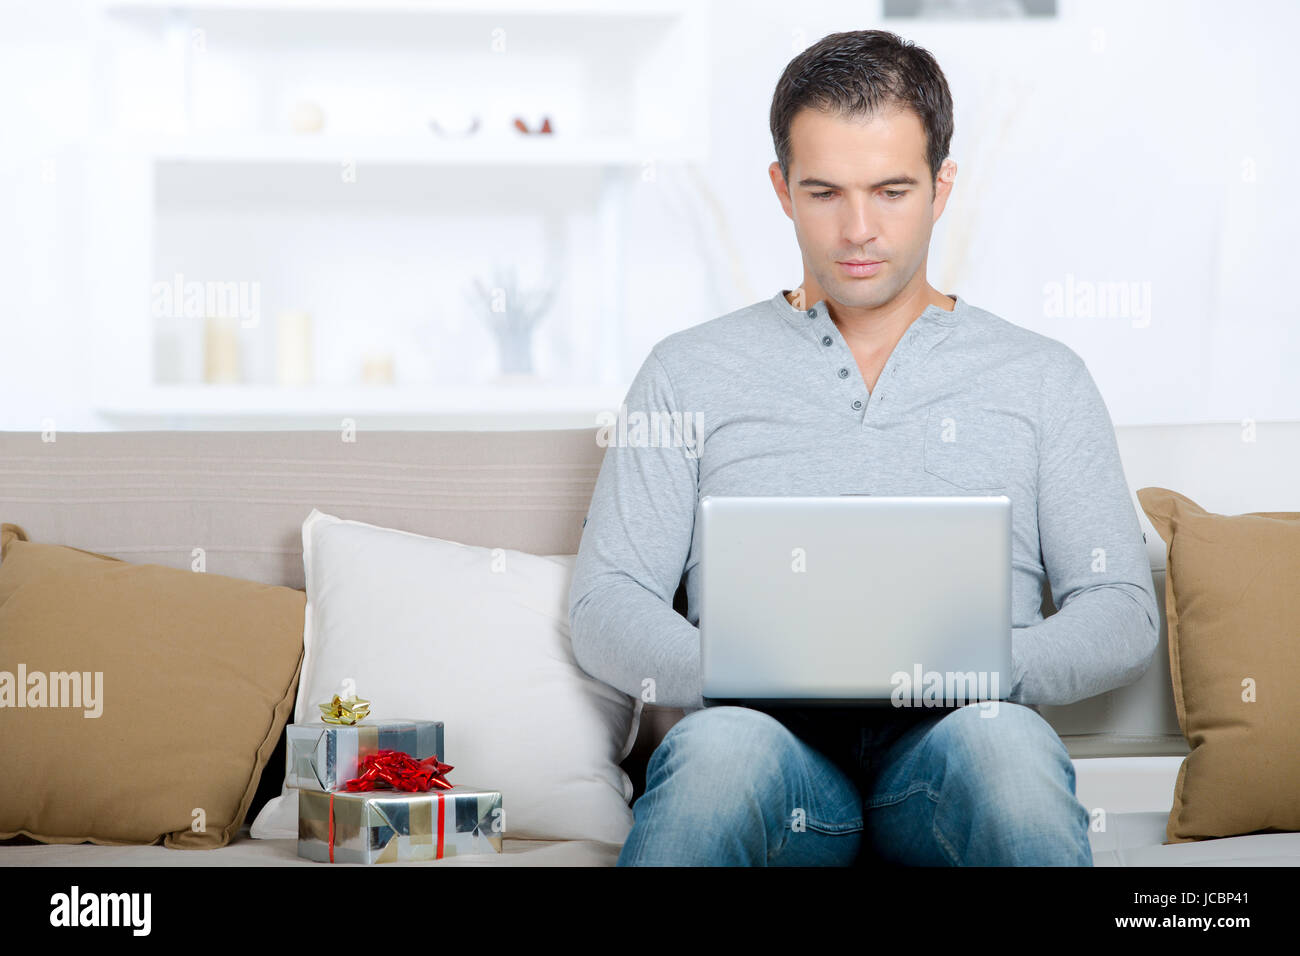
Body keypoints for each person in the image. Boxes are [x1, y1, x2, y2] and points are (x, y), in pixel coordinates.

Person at [568, 28, 1159, 866]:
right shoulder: (686, 373)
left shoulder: (1044, 379)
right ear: (780, 189)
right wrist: (754, 669)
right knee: (714, 754)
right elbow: (604, 605)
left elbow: (1122, 610)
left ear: (940, 187)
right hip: (768, 752)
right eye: (823, 193)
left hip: (956, 748)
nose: (858, 230)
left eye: (890, 191)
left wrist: (972, 668)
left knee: (1009, 752)